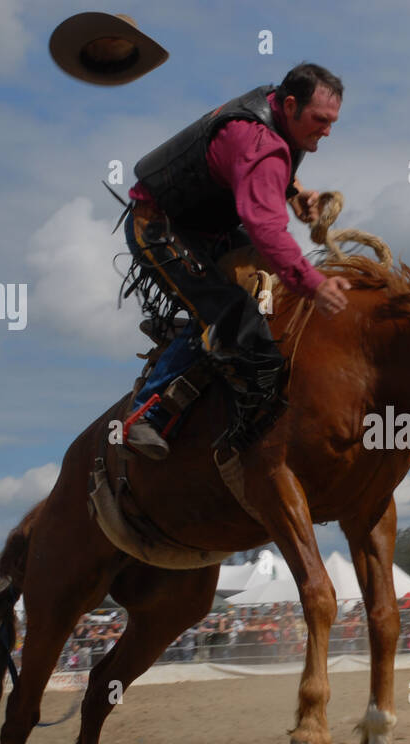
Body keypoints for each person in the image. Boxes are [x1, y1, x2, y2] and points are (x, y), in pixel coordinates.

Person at [117, 63, 353, 458]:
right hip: (160, 227)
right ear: (291, 104)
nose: (327, 131)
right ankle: (147, 416)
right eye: (320, 120)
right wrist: (314, 284)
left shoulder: (278, 112)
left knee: (258, 293)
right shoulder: (258, 144)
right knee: (231, 314)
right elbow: (266, 228)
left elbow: (259, 176)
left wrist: (296, 193)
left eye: (333, 122)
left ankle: (204, 342)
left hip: (208, 228)